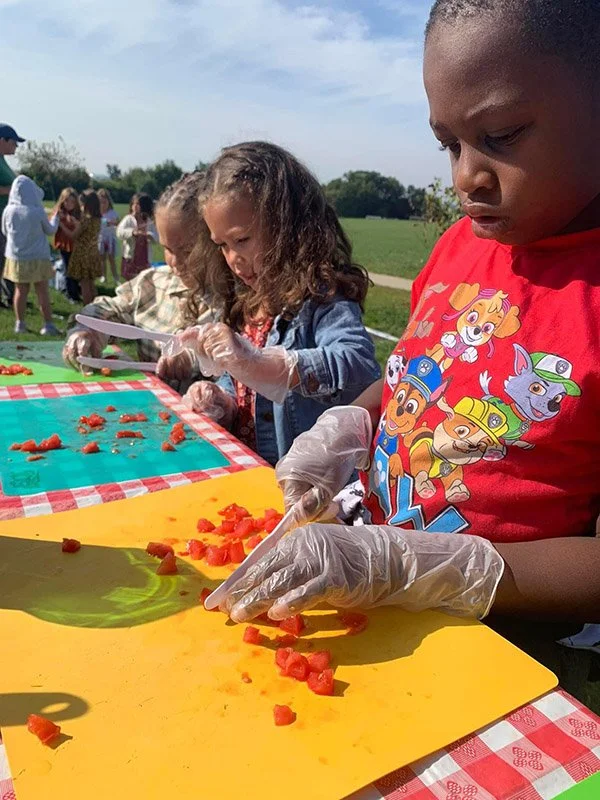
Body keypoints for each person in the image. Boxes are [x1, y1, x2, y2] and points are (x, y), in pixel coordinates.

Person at [218, 0, 600, 670]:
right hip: (381, 605)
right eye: (448, 143)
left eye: (502, 135)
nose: (464, 178)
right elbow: (408, 381)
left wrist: (422, 566)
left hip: (508, 647)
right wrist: (347, 424)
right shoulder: (458, 246)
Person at [158, 141, 381, 465]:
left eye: (242, 240)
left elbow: (359, 366)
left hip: (308, 488)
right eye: (221, 245)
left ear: (287, 225)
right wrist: (221, 399)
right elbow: (241, 385)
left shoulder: (323, 299)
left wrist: (269, 365)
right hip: (250, 474)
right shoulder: (245, 302)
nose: (233, 259)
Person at [63, 172, 215, 391]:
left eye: (188, 250)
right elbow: (112, 309)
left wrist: (189, 359)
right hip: (148, 406)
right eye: (167, 249)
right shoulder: (153, 282)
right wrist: (88, 331)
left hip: (199, 418)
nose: (175, 261)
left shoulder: (227, 297)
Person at [1, 175, 60, 334]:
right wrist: (55, 219)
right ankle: (48, 325)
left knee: (20, 291)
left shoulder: (8, 211)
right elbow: (50, 230)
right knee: (42, 291)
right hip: (38, 257)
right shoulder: (36, 211)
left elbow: (5, 232)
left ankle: (20, 324)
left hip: (17, 257)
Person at [64, 189, 103, 305]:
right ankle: (95, 307)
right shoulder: (97, 219)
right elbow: (86, 230)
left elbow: (73, 235)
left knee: (84, 284)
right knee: (91, 283)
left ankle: (87, 310)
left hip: (82, 254)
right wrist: (77, 223)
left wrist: (62, 225)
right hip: (92, 253)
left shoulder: (85, 219)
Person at [0, 123, 24, 308]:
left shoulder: (2, 160)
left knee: (6, 258)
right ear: (3, 140)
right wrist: (12, 190)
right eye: (14, 142)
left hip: (6, 220)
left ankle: (11, 296)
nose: (16, 146)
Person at [117, 193, 157, 281]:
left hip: (144, 258)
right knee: (130, 282)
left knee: (143, 281)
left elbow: (157, 238)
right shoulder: (128, 219)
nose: (135, 206)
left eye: (138, 204)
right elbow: (119, 232)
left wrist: (149, 235)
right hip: (131, 258)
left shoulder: (149, 221)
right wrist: (132, 232)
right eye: (134, 203)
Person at [52, 187, 82, 303]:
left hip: (76, 245)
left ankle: (74, 289)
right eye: (66, 201)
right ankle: (71, 294)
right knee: (68, 269)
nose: (69, 204)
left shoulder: (78, 214)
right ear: (62, 201)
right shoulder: (59, 213)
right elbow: (52, 224)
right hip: (64, 244)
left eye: (72, 202)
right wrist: (58, 219)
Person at [97, 188, 120, 285]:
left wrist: (112, 223)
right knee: (102, 259)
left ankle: (115, 277)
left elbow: (117, 222)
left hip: (110, 239)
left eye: (105, 202)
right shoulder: (97, 214)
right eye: (101, 202)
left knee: (111, 258)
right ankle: (103, 276)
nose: (103, 204)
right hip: (100, 238)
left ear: (108, 202)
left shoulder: (112, 213)